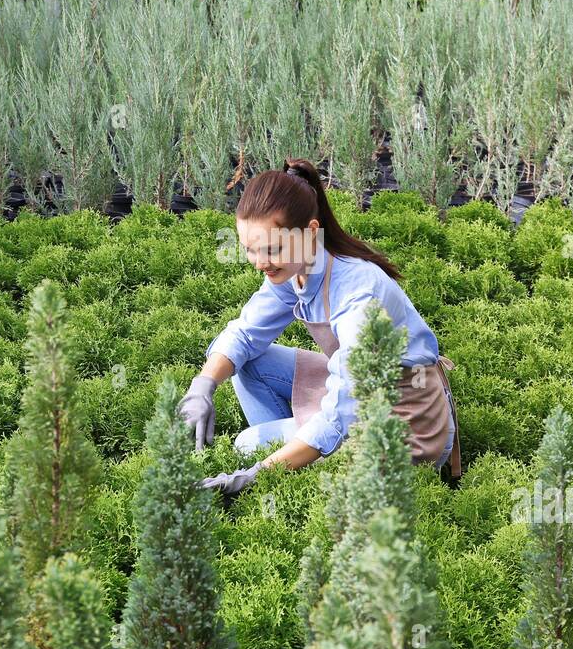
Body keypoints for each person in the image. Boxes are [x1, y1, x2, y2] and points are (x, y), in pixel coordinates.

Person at [177, 157, 463, 497]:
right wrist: (203, 385)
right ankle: (293, 460)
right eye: (250, 250)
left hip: (405, 420)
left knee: (247, 444)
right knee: (247, 361)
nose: (260, 262)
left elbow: (342, 412)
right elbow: (245, 333)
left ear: (311, 231)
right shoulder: (294, 264)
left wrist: (253, 474)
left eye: (272, 249)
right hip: (365, 390)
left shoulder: (358, 293)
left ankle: (279, 468)